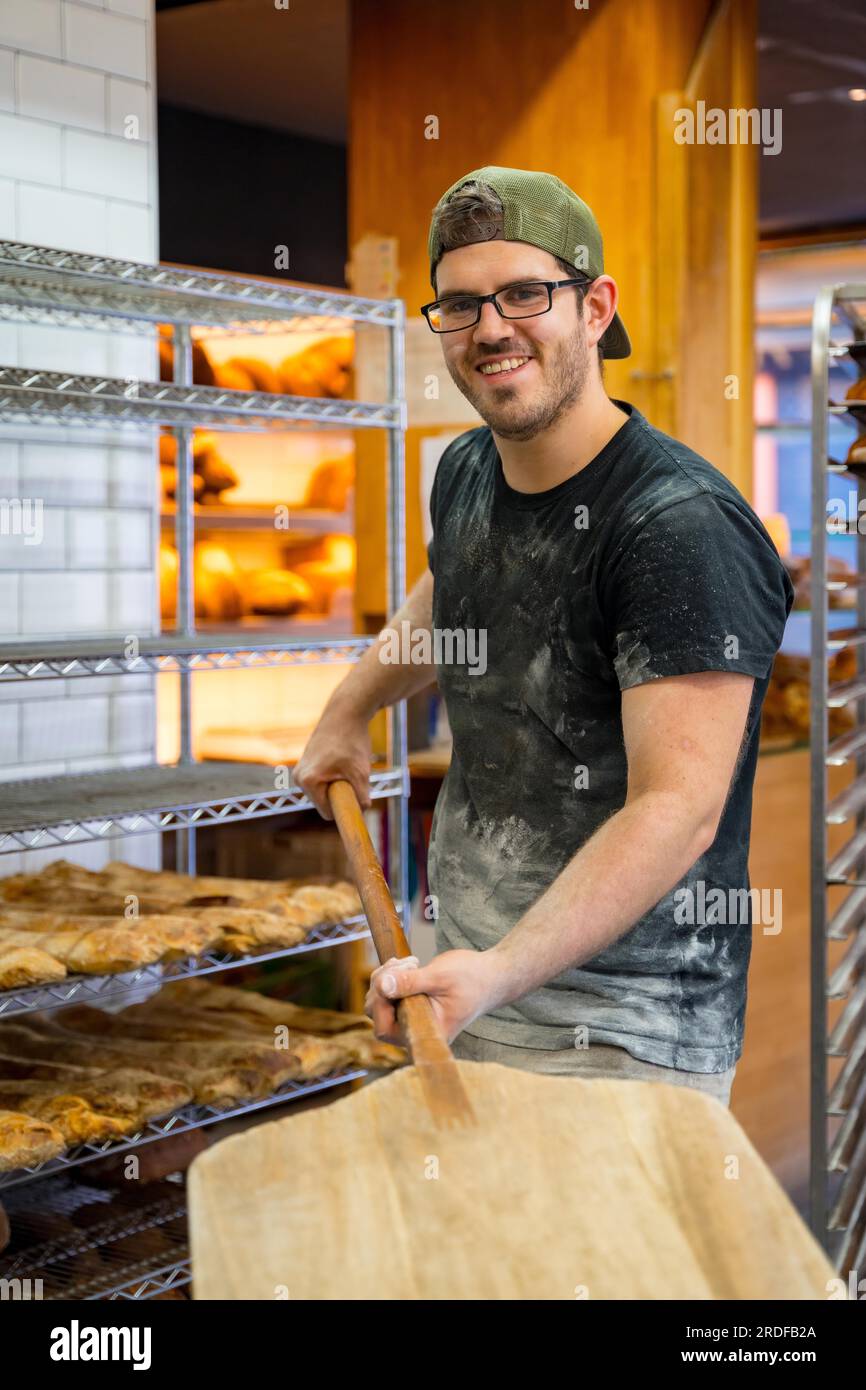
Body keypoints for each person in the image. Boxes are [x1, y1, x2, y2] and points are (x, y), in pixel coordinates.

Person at [294, 165, 794, 1108]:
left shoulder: (675, 527)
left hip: (624, 1031)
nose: (490, 328)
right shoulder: (470, 468)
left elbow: (675, 811)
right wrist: (349, 709)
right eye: (459, 304)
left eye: (527, 293)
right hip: (474, 986)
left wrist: (499, 971)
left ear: (595, 306)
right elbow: (452, 595)